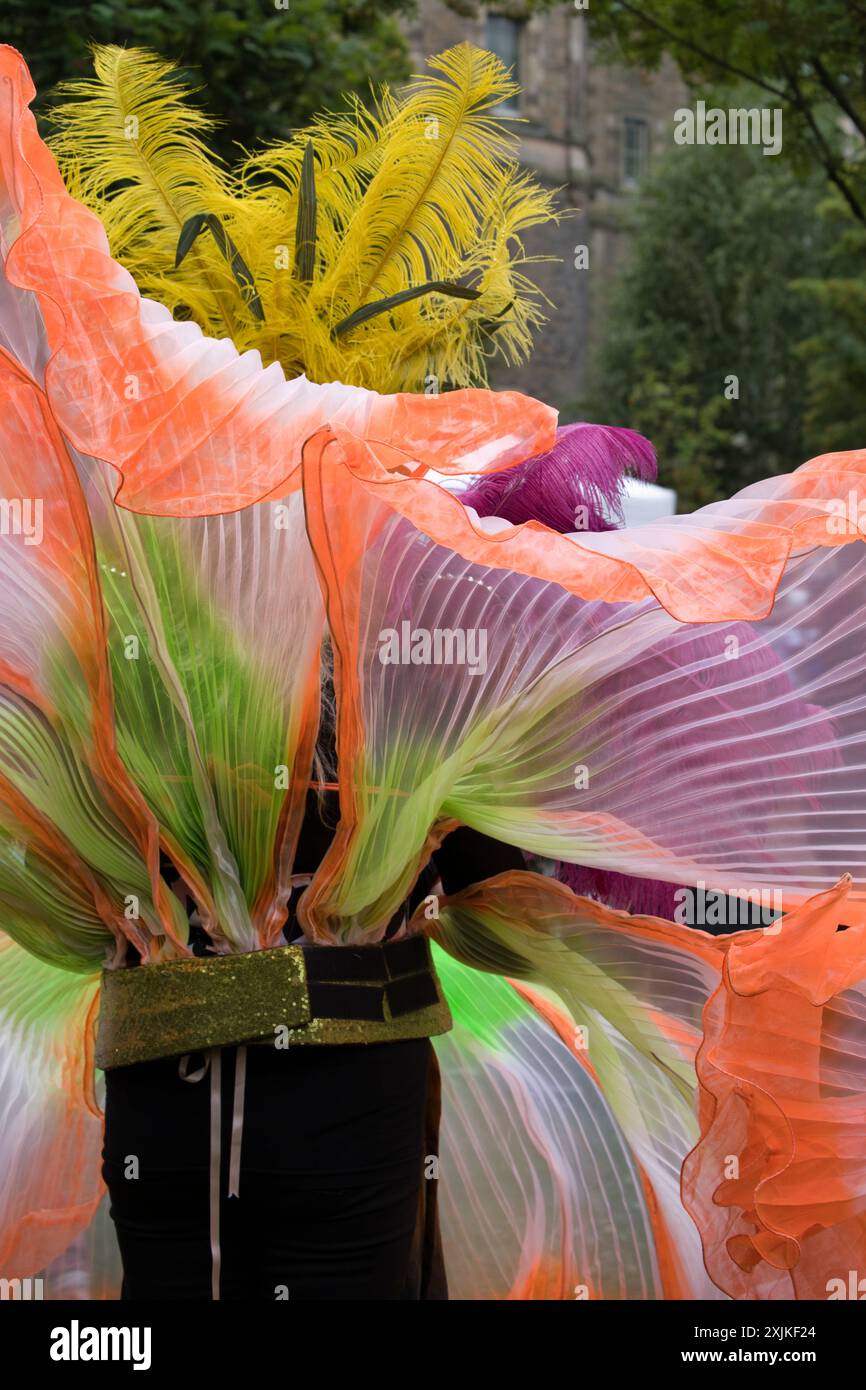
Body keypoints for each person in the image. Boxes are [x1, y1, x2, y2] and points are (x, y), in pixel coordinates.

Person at [2, 44, 866, 1304]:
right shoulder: (403, 624)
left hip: (178, 1092)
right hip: (339, 1090)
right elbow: (488, 865)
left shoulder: (109, 628)